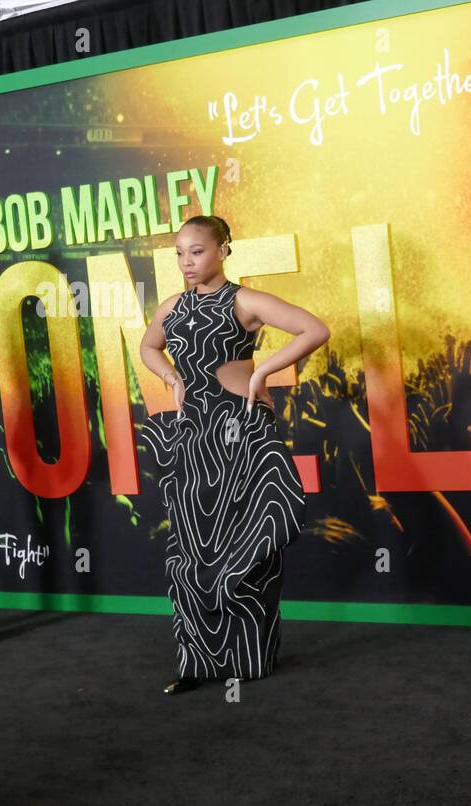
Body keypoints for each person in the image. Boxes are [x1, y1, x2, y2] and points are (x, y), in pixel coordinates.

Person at [140, 215, 328, 694]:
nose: (187, 261)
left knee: (245, 545)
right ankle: (195, 662)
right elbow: (148, 346)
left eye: (197, 251)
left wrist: (262, 371)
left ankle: (248, 656)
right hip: (193, 438)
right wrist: (172, 378)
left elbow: (313, 329)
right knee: (190, 550)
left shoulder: (244, 300)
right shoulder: (173, 307)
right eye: (180, 252)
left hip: (240, 431)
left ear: (224, 250)